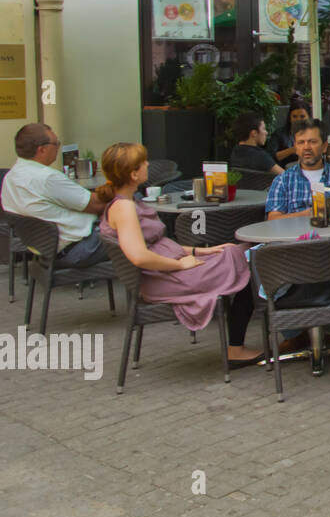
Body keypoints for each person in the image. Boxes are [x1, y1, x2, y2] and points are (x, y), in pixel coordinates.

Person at [97, 142, 262, 366]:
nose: (148, 164)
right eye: (143, 162)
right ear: (134, 174)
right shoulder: (123, 208)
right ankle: (236, 348)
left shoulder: (127, 202)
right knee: (250, 261)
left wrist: (202, 250)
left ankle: (239, 343)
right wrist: (181, 265)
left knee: (237, 252)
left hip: (167, 271)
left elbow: (156, 244)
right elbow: (139, 256)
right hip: (165, 278)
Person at [2, 123, 110, 267]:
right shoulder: (46, 177)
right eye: (56, 143)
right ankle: (142, 283)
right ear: (42, 149)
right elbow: (96, 205)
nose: (58, 146)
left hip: (44, 251)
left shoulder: (11, 176)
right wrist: (121, 192)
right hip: (78, 249)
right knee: (140, 226)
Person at [264, 119, 330, 219]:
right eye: (301, 142)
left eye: (312, 142)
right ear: (295, 147)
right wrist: (306, 214)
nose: (306, 147)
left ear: (324, 146)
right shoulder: (283, 180)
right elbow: (273, 218)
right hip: (296, 234)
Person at [270, 99, 310, 166]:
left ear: (309, 117)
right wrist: (292, 150)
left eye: (302, 116)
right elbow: (269, 157)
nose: (298, 120)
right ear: (290, 118)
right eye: (294, 116)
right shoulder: (279, 134)